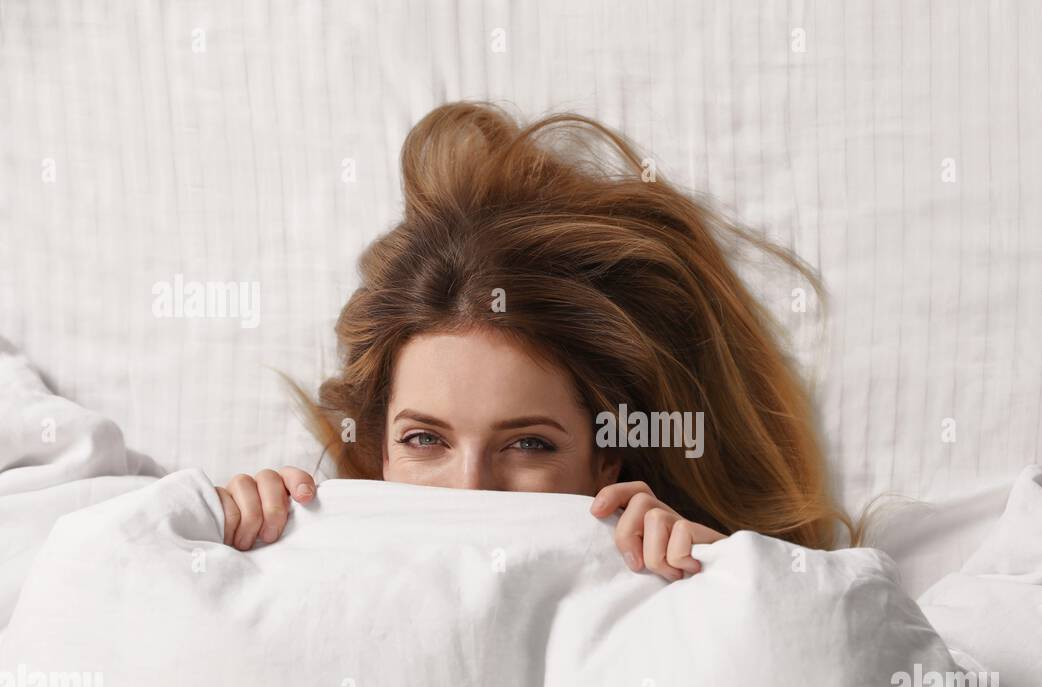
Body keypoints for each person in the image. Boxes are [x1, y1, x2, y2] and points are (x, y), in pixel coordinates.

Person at [218, 101, 859, 581]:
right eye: (423, 439)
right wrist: (228, 532)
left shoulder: (689, 576)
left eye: (529, 444)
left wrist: (730, 577)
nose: (471, 492)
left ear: (609, 459)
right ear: (380, 447)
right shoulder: (301, 545)